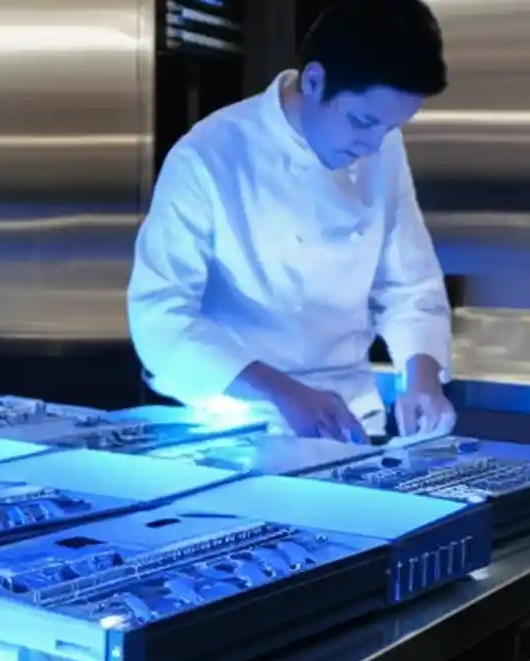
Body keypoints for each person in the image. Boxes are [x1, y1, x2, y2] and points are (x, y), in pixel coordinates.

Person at [127, 0, 456, 442]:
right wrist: (284, 392)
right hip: (225, 429)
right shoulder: (208, 156)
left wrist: (423, 382)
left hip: (351, 426)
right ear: (315, 81)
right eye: (363, 122)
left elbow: (409, 285)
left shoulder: (381, 148)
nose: (375, 146)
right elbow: (160, 320)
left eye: (390, 128)